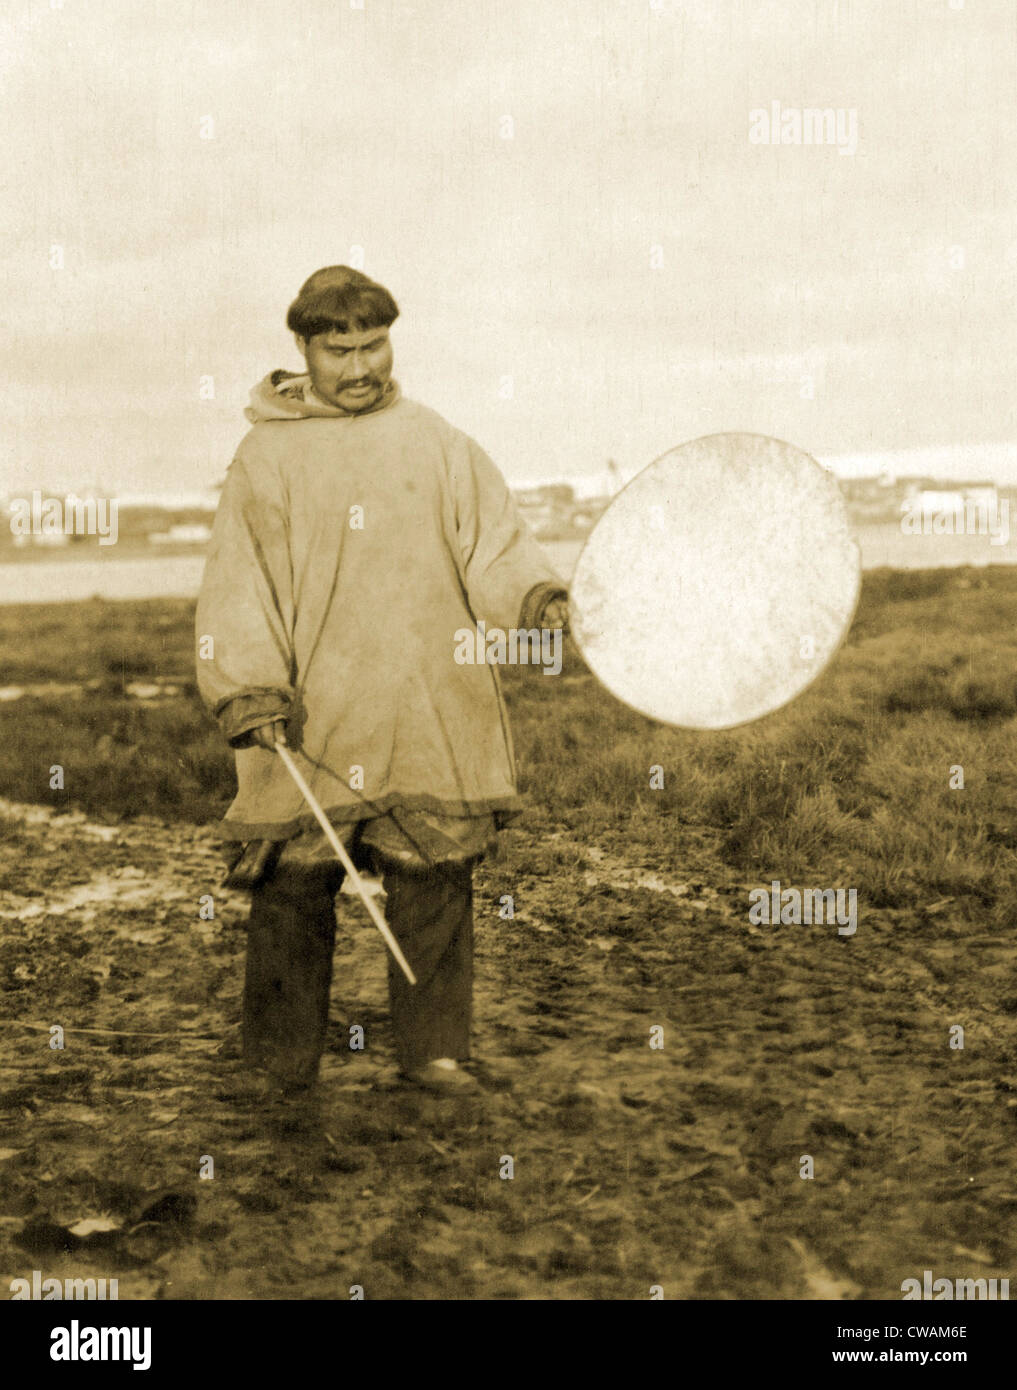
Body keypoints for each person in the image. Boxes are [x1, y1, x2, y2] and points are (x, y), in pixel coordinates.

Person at [195, 265, 568, 1095]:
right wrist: (249, 685)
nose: (361, 368)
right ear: (303, 348)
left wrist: (537, 601)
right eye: (340, 350)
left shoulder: (436, 441)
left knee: (434, 880)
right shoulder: (264, 457)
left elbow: (495, 549)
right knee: (292, 886)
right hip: (308, 711)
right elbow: (237, 583)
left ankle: (434, 1055)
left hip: (429, 701)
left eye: (374, 345)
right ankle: (279, 1065)